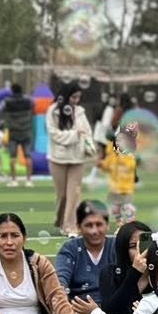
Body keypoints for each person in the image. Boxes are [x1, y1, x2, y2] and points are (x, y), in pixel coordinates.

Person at [47, 84, 95, 235]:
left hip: (77, 158)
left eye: (78, 97)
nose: (76, 100)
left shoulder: (80, 111)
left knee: (74, 193)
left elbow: (87, 132)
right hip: (58, 158)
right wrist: (74, 135)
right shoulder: (53, 111)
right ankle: (61, 220)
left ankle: (71, 226)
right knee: (62, 195)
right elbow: (53, 134)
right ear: (66, 96)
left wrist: (89, 145)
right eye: (74, 97)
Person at [0, 82, 36, 174]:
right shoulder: (28, 101)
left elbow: (3, 113)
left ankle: (13, 180)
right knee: (28, 156)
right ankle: (29, 180)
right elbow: (33, 109)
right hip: (26, 132)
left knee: (13, 156)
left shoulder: (7, 101)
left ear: (12, 91)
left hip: (13, 132)